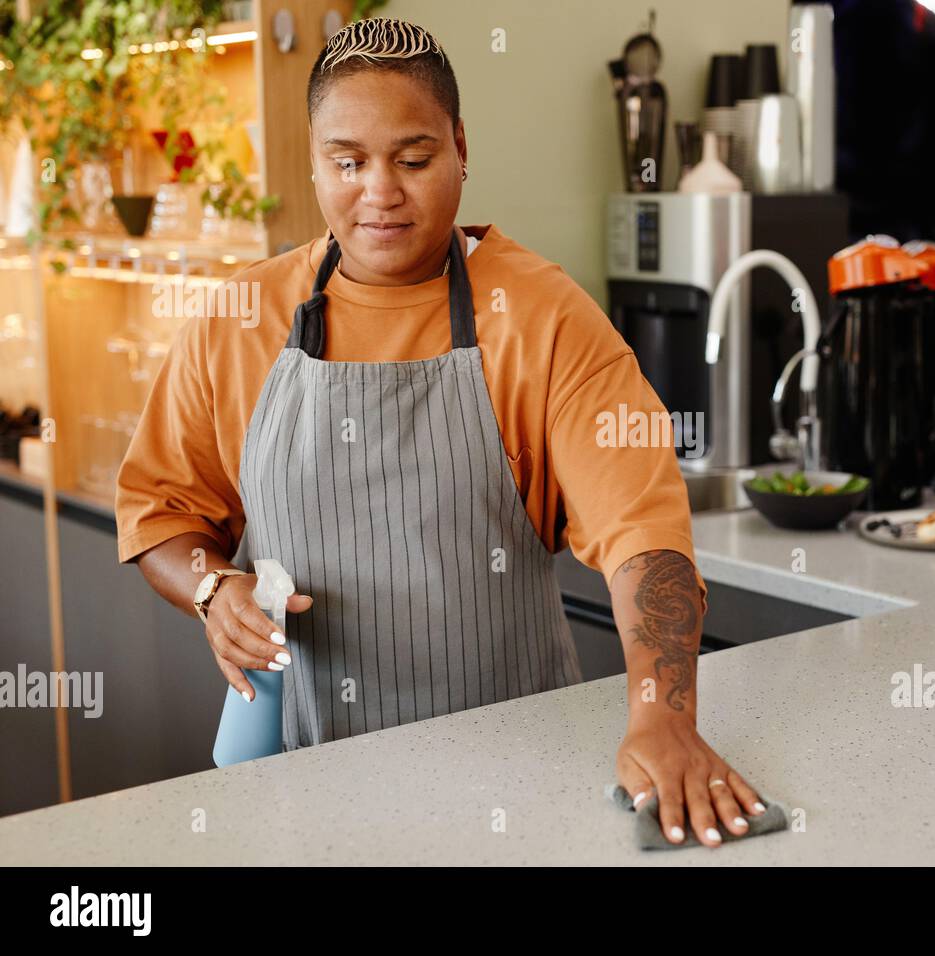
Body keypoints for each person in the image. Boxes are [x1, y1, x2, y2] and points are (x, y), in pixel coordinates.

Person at [116, 17, 762, 847]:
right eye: (347, 163)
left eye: (413, 160)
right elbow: (163, 516)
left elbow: (646, 537)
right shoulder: (241, 319)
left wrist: (664, 716)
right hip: (306, 784)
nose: (379, 191)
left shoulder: (542, 315)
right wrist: (214, 590)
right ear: (314, 163)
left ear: (461, 147)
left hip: (516, 787)